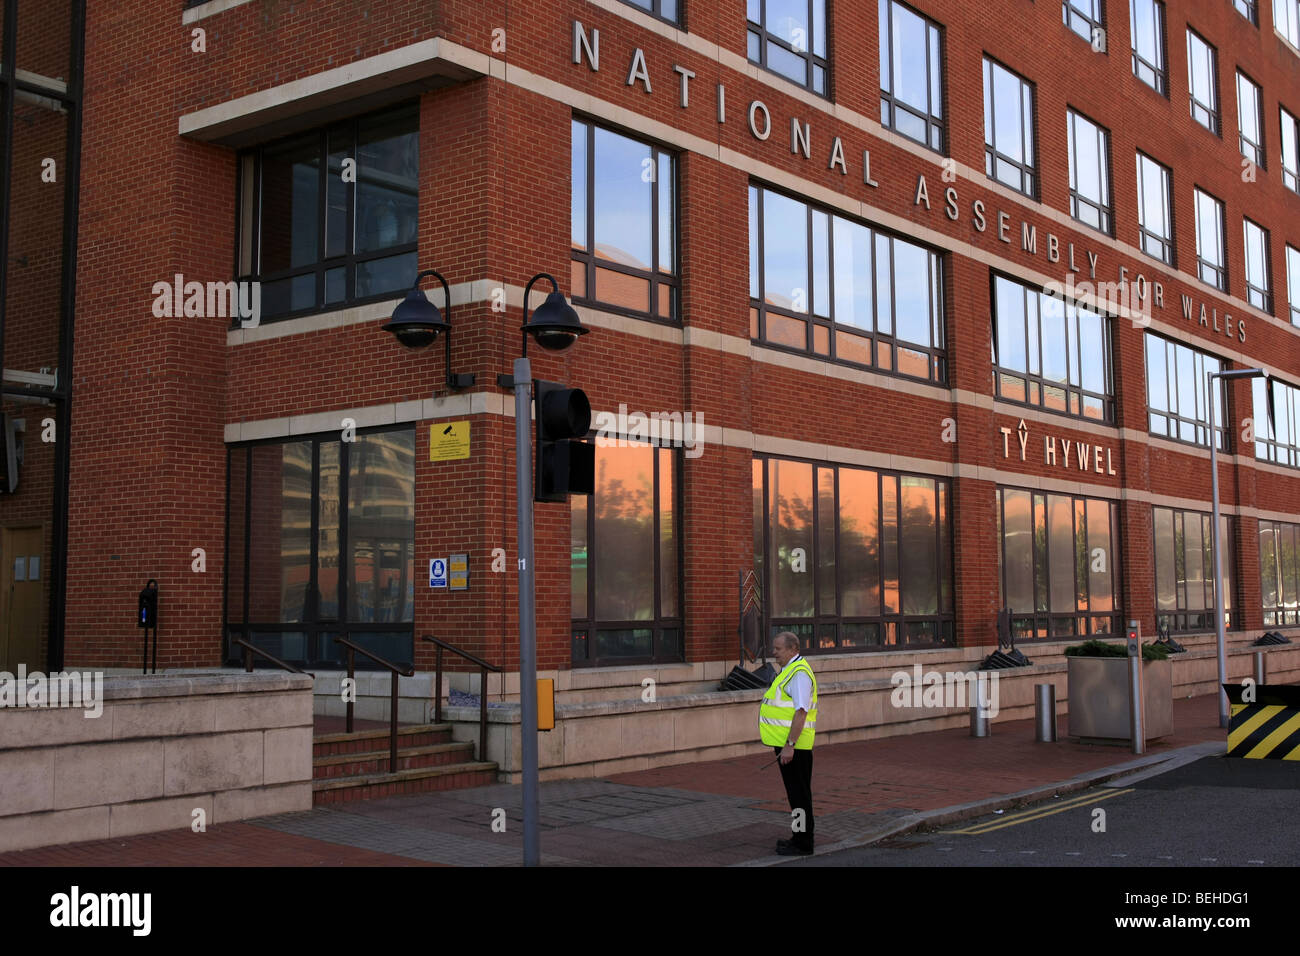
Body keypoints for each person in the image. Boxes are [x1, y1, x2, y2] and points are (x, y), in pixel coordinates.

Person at [758, 631, 818, 856]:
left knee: (799, 795)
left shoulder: (799, 674)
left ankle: (803, 843)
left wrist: (789, 745)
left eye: (778, 649)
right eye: (774, 648)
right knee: (796, 795)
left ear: (793, 649)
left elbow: (800, 713)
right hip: (791, 745)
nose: (774, 653)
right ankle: (798, 837)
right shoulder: (790, 671)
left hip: (795, 747)